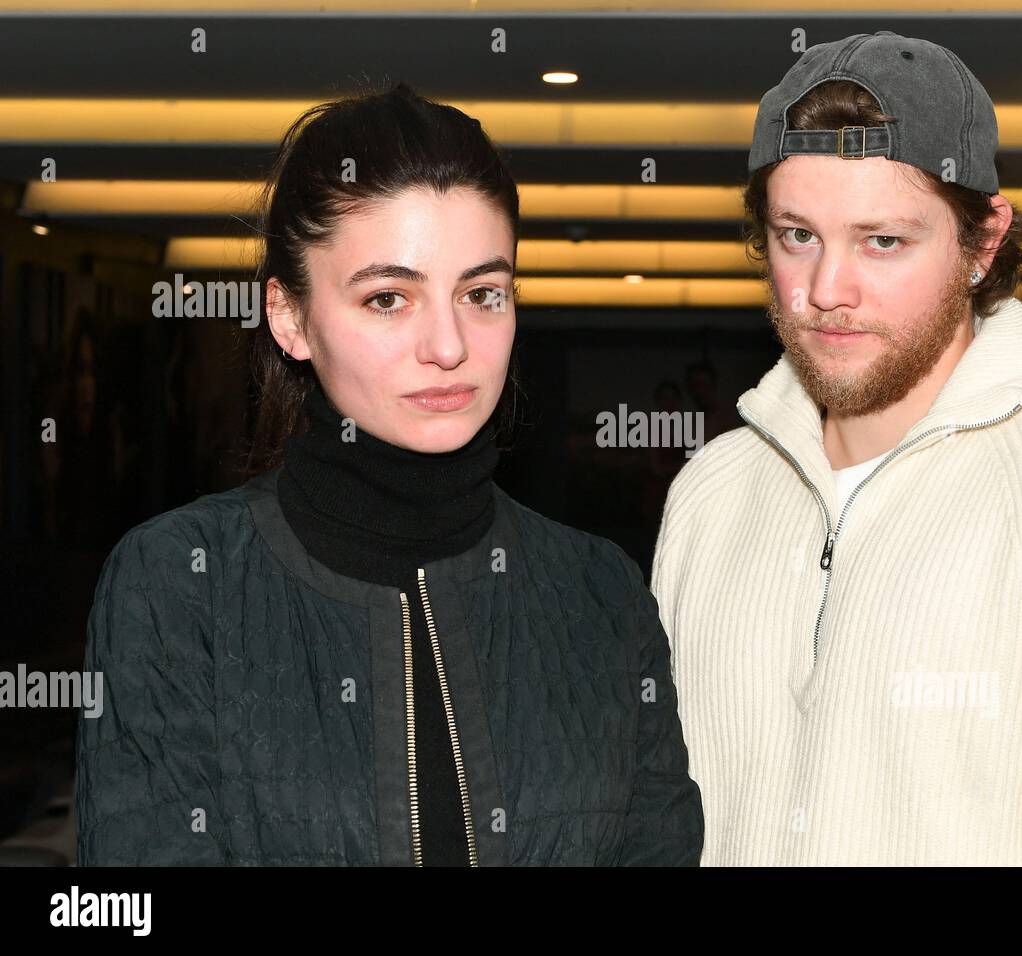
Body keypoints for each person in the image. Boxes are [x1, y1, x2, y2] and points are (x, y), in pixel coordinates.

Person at [650, 32, 1022, 865]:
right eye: (797, 236)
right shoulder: (710, 492)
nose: (828, 290)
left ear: (982, 242)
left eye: (882, 241)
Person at [75, 83, 704, 866]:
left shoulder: (601, 594)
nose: (448, 344)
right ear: (290, 317)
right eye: (387, 298)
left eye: (482, 293)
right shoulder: (178, 584)